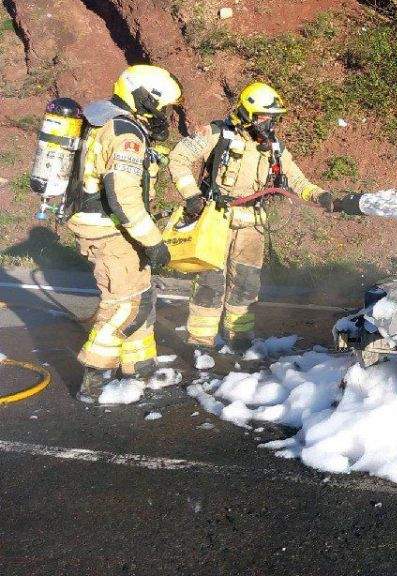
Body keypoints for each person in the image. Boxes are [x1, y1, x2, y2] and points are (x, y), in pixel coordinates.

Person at [167, 82, 363, 353]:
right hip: (216, 218)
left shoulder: (274, 147)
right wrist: (191, 195)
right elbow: (179, 158)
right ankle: (200, 343)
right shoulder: (216, 133)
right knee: (210, 282)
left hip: (253, 223)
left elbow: (296, 179)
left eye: (272, 117)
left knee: (246, 284)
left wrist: (321, 196)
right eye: (262, 116)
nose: (267, 122)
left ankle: (239, 339)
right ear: (246, 113)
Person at [69, 64, 183, 400]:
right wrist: (153, 241)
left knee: (142, 295)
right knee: (122, 305)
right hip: (110, 231)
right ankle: (95, 379)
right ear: (144, 98)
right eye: (160, 106)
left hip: (115, 229)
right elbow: (123, 195)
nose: (164, 114)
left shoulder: (107, 120)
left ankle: (140, 368)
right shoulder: (125, 133)